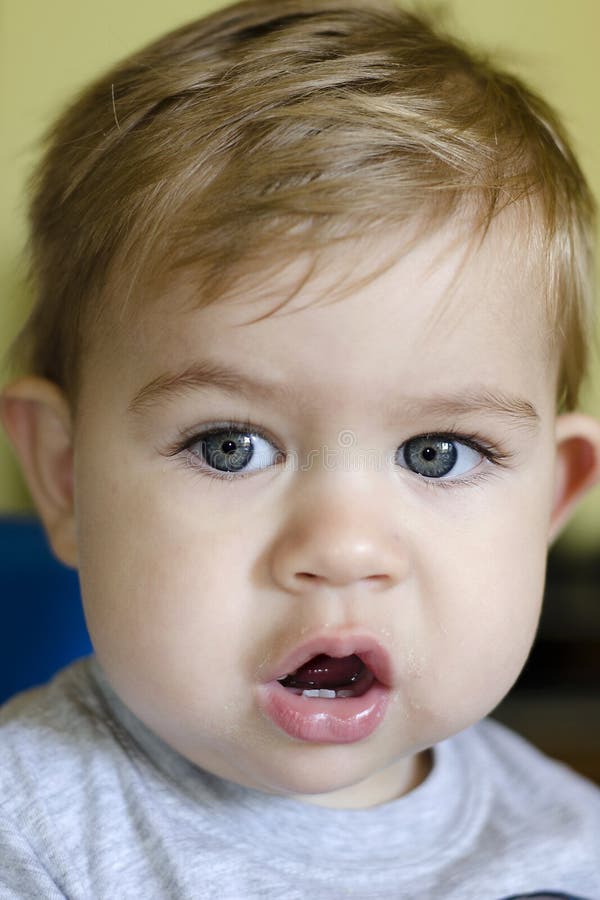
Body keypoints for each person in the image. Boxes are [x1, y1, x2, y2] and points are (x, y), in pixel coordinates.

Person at [1, 0, 599, 897]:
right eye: (232, 446)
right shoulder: (31, 830)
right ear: (63, 476)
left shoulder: (574, 844)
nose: (343, 547)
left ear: (551, 501)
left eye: (437, 452)